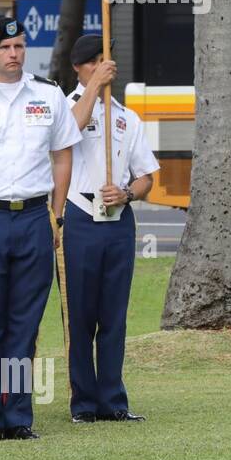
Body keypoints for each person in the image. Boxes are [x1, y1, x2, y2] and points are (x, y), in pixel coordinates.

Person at [0, 17, 81, 441]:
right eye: (6, 47)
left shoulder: (48, 94)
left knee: (25, 322)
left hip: (33, 217)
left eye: (20, 46)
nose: (14, 54)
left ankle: (19, 417)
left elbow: (63, 155)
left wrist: (56, 213)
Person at [64, 34, 160, 424]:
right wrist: (92, 87)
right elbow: (69, 131)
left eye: (108, 61)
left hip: (117, 220)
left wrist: (126, 193)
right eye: (95, 62)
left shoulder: (126, 116)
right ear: (79, 67)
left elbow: (148, 176)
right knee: (81, 314)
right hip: (79, 215)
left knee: (114, 315)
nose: (105, 67)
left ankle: (112, 400)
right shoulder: (66, 106)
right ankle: (83, 403)